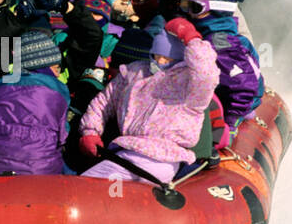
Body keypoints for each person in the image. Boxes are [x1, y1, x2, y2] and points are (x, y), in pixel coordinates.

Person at [79, 17, 220, 184]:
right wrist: (90, 130)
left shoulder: (192, 84)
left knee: (104, 190)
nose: (160, 62)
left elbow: (207, 73)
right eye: (156, 55)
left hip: (165, 157)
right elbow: (104, 101)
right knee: (86, 187)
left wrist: (192, 38)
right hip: (127, 151)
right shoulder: (136, 72)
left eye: (167, 58)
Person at [0, 30, 70, 176]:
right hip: (40, 168)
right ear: (43, 65)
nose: (57, 74)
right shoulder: (57, 88)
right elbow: (63, 135)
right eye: (56, 68)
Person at [183, 0, 265, 139]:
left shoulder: (221, 43)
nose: (189, 13)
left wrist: (230, 120)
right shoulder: (217, 34)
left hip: (233, 107)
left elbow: (244, 85)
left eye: (196, 8)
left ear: (216, 12)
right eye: (187, 5)